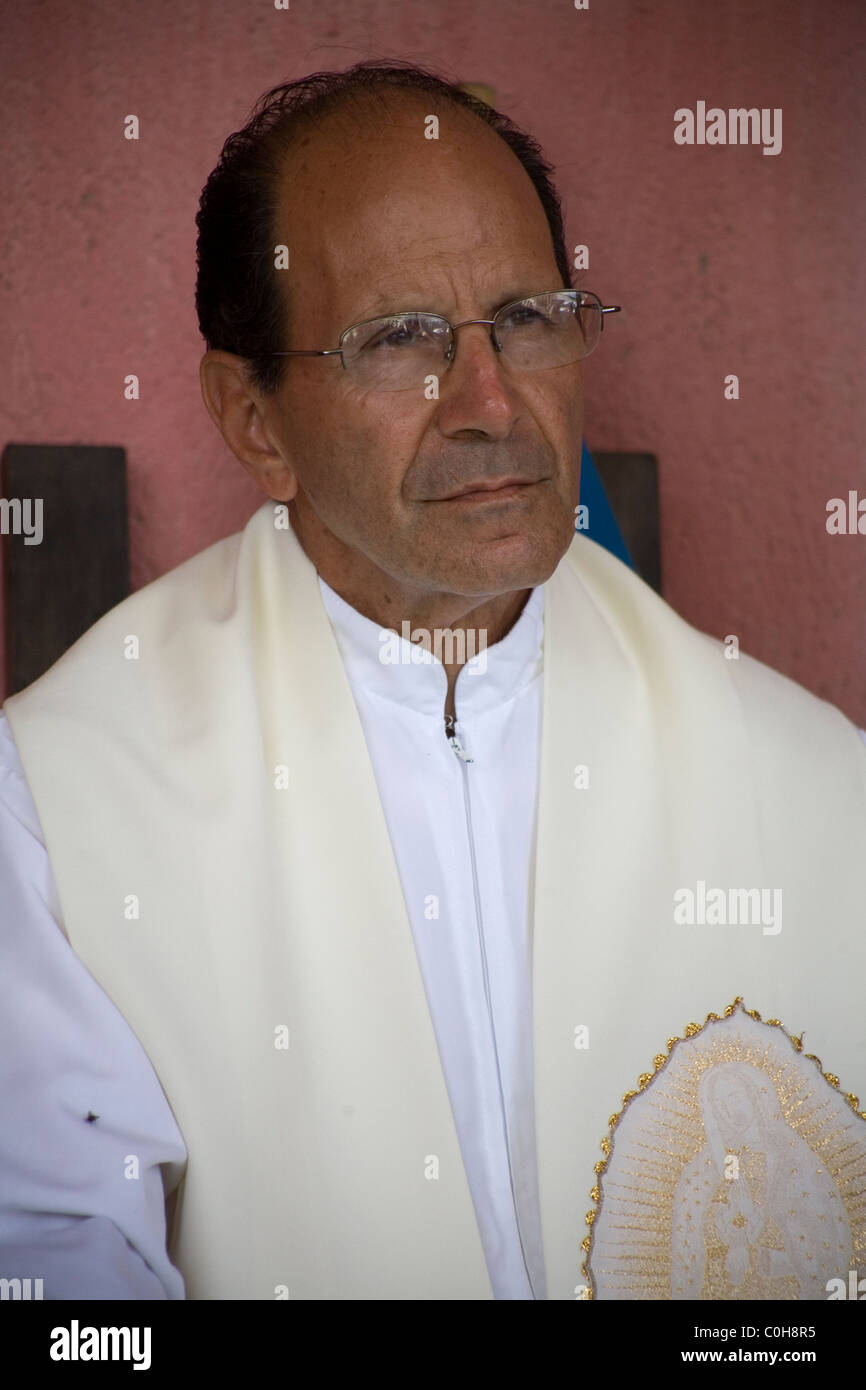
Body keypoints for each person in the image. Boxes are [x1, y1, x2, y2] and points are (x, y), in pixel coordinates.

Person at [1, 60, 864, 1303]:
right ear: (254, 420)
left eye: (526, 316)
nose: (487, 399)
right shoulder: (68, 806)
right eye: (399, 338)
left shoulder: (810, 780)